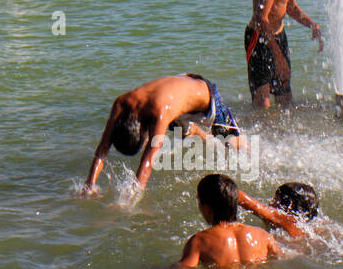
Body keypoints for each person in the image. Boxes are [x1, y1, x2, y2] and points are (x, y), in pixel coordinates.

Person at [81, 74, 242, 199]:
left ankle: (250, 148)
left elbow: (147, 163)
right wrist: (90, 184)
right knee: (182, 133)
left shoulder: (159, 112)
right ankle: (193, 130)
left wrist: (128, 201)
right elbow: (103, 148)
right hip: (182, 82)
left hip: (207, 97)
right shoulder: (122, 103)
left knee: (231, 143)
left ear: (144, 131)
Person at [245, 0, 323, 108]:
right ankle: (259, 133)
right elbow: (261, 19)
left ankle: (283, 134)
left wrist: (312, 24)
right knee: (262, 102)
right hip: (259, 38)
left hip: (279, 36)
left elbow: (291, 8)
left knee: (285, 97)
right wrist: (278, 56)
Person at [169, 174, 284, 269]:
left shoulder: (200, 241)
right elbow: (282, 258)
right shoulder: (263, 235)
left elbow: (183, 268)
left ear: (207, 209)